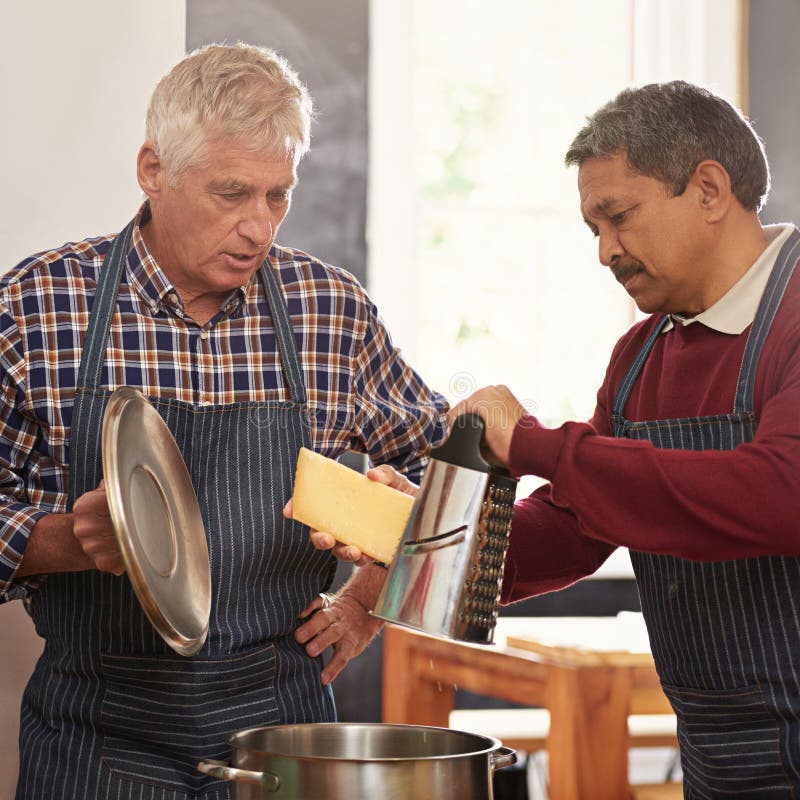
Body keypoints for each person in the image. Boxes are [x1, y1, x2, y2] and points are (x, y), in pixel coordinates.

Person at [314, 81, 800, 797]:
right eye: (592, 228)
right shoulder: (640, 357)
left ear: (708, 190)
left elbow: (777, 495)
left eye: (619, 217)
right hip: (720, 755)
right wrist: (424, 532)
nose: (605, 251)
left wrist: (536, 445)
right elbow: (576, 528)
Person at [0, 43, 447, 799]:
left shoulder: (330, 311)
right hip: (95, 738)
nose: (258, 228)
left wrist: (371, 597)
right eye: (232, 193)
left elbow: (445, 473)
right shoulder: (38, 305)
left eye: (278, 196)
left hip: (284, 736)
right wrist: (68, 540)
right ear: (153, 170)